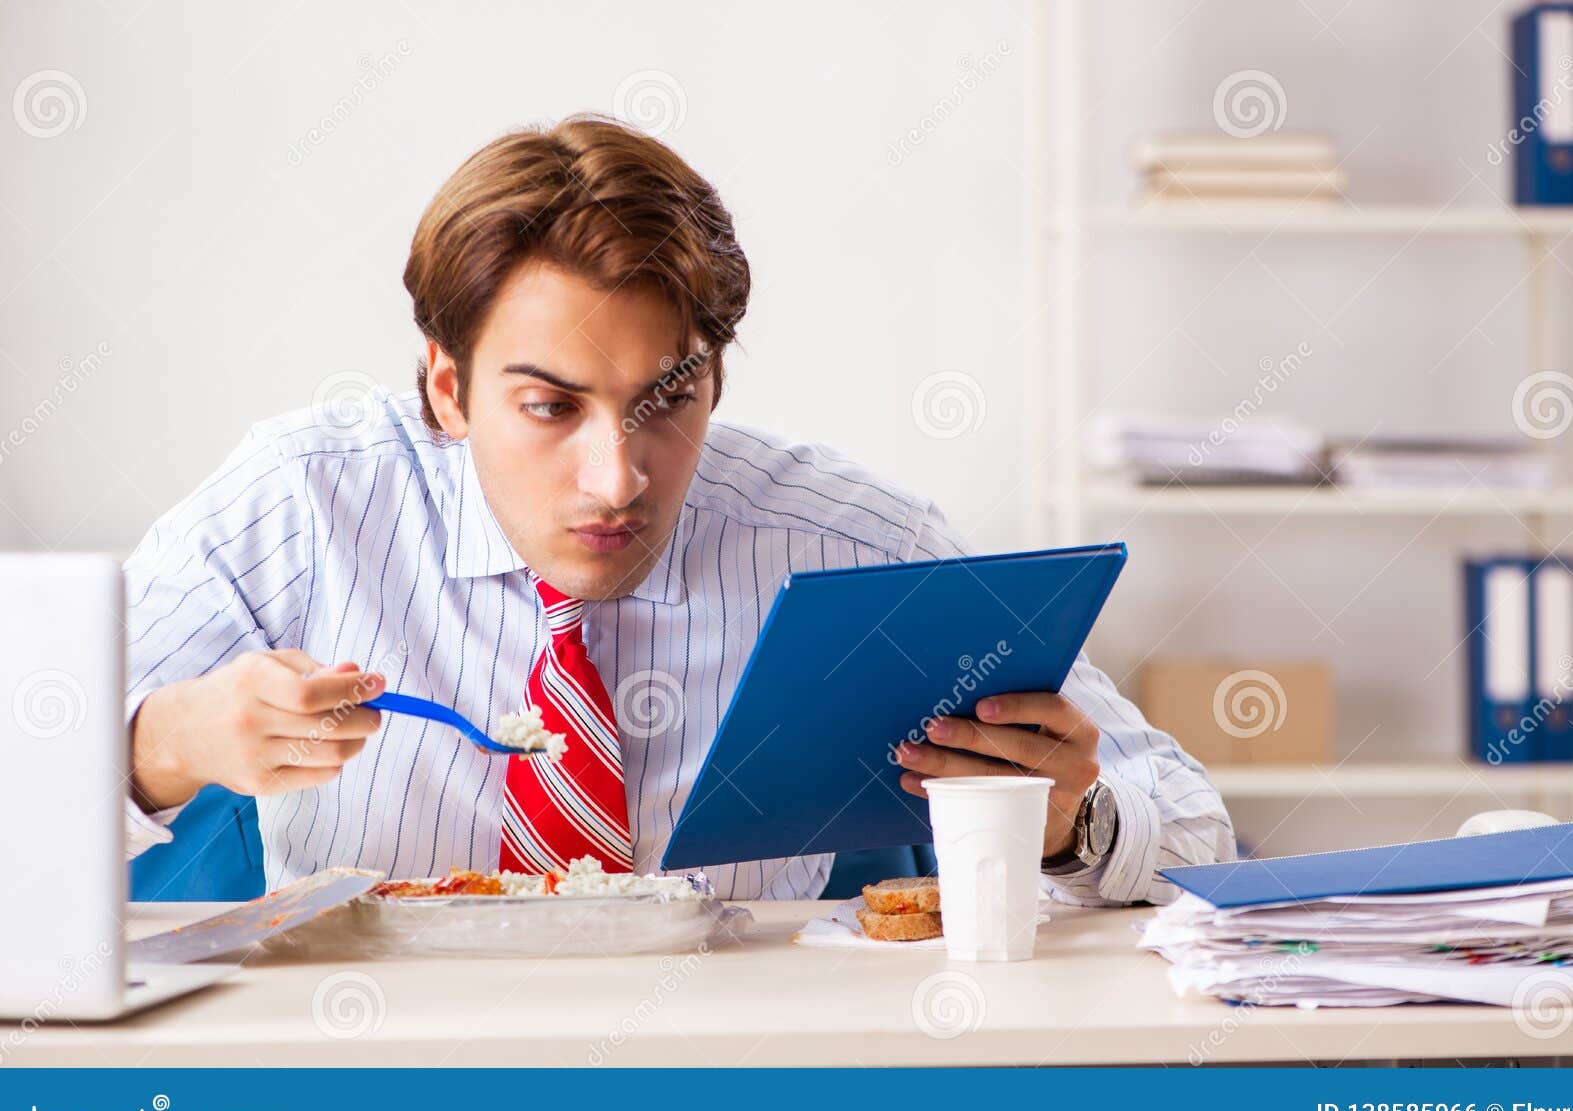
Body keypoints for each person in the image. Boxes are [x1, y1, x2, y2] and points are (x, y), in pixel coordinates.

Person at [124, 115, 1233, 902]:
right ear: (449, 390)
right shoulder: (302, 500)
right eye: (550, 406)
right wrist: (160, 742)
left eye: (666, 400)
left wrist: (1068, 822)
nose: (617, 479)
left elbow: (1195, 829)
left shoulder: (853, 543)